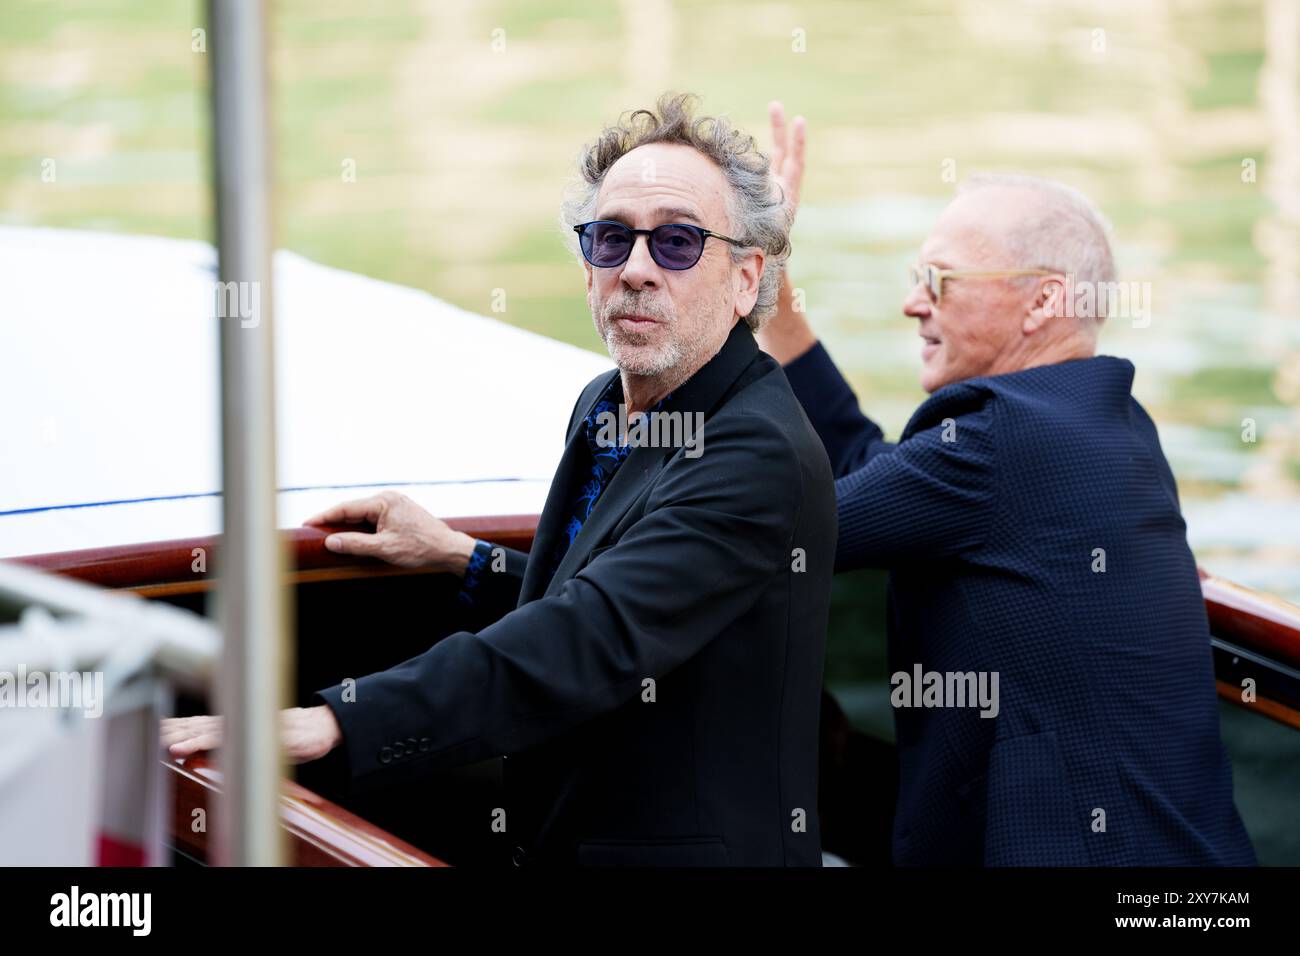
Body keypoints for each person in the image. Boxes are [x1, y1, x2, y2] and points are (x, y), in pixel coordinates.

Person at [163, 93, 837, 868]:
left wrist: (339, 721)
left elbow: (592, 636)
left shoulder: (757, 454)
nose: (638, 270)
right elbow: (591, 591)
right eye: (611, 239)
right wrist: (463, 556)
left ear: (747, 279)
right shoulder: (604, 400)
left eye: (678, 244)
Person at [758, 105, 1255, 866]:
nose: (912, 302)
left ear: (1046, 300)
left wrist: (728, 287)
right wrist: (777, 287)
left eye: (940, 280)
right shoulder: (1115, 426)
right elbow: (870, 472)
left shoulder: (1000, 439)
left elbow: (783, 527)